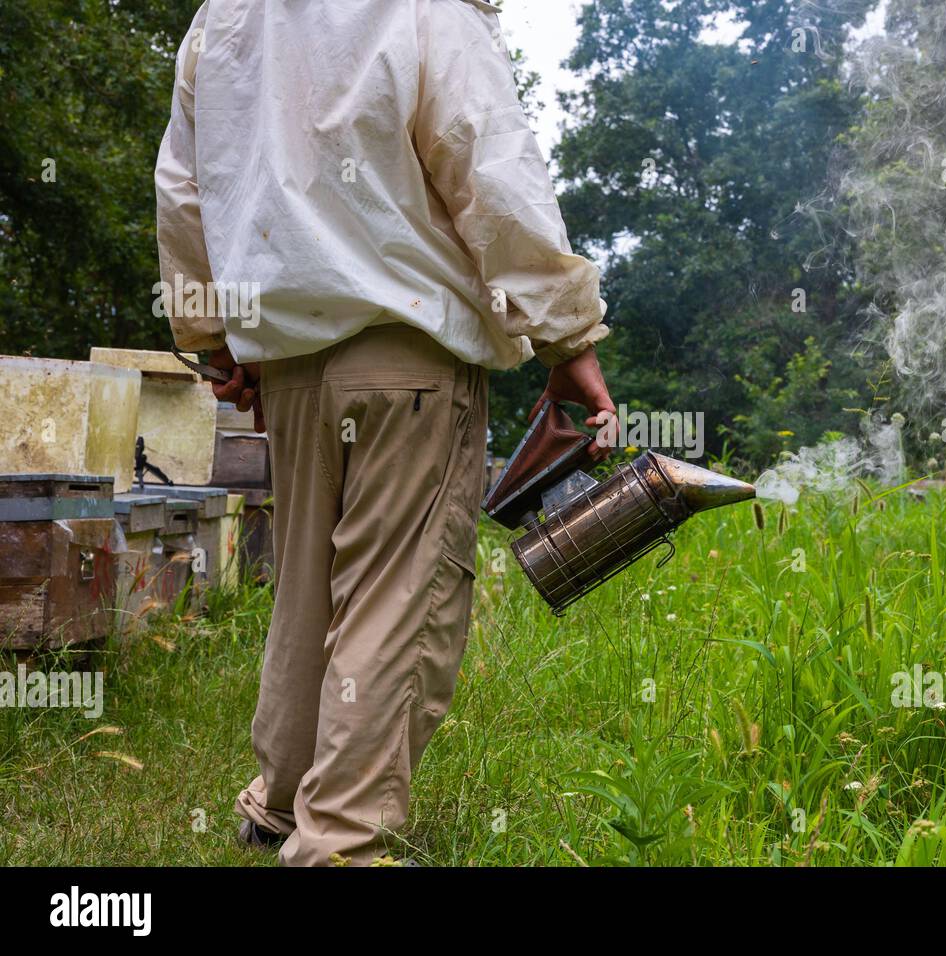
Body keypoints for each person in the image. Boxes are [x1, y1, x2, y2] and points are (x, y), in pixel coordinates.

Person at [154, 0, 615, 866]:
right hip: (409, 357)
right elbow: (490, 167)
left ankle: (279, 807)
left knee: (305, 593)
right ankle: (339, 846)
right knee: (397, 602)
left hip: (286, 365)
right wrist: (568, 335)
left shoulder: (224, 18)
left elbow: (183, 187)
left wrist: (214, 340)